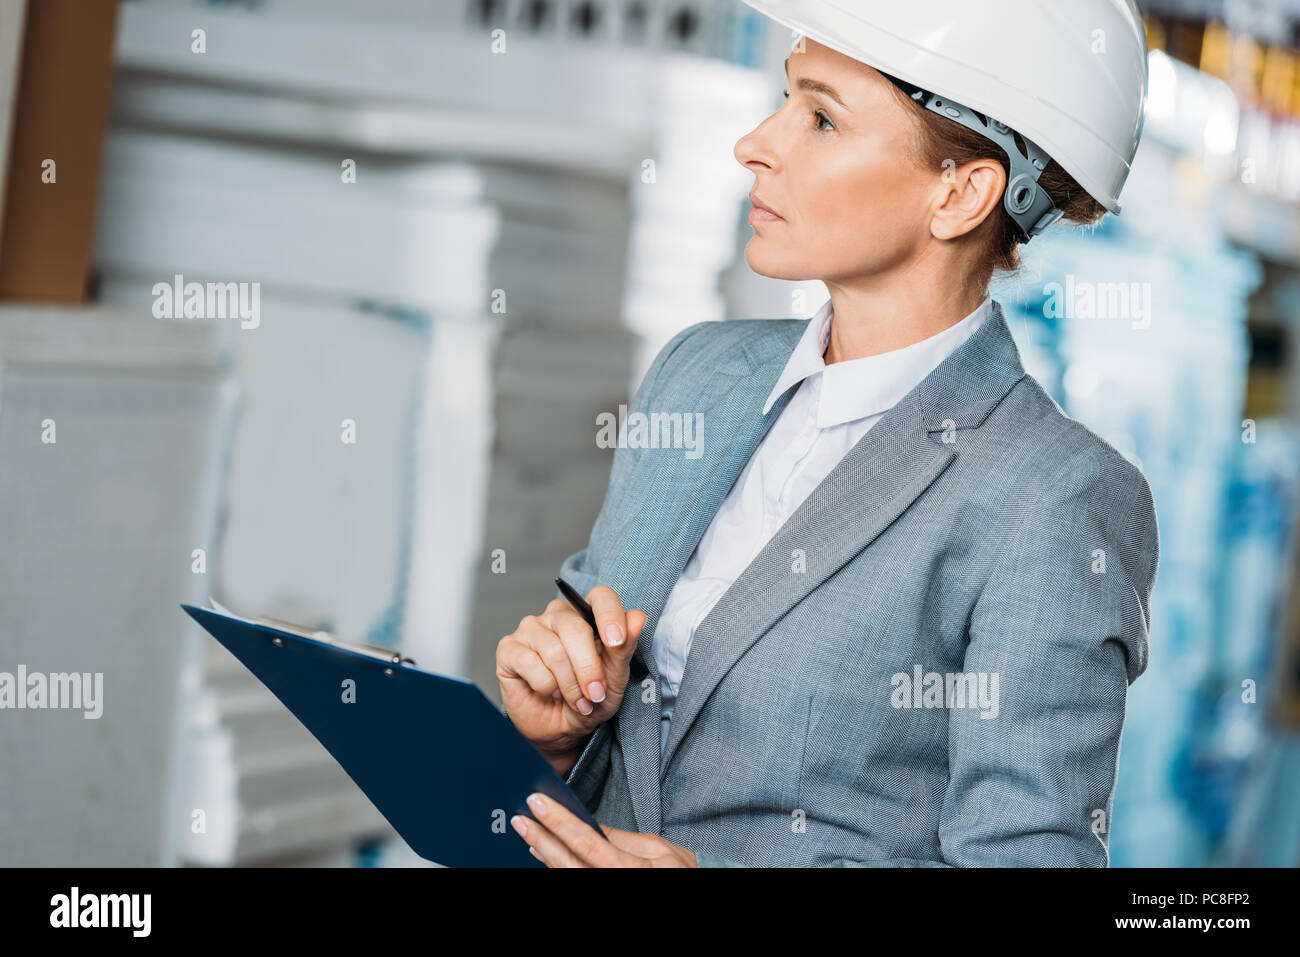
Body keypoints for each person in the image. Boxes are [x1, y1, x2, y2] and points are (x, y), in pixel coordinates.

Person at [496, 0, 1158, 867]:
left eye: (820, 116)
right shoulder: (698, 374)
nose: (755, 143)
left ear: (959, 193)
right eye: (785, 100)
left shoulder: (1054, 497)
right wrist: (558, 738)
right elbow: (618, 760)